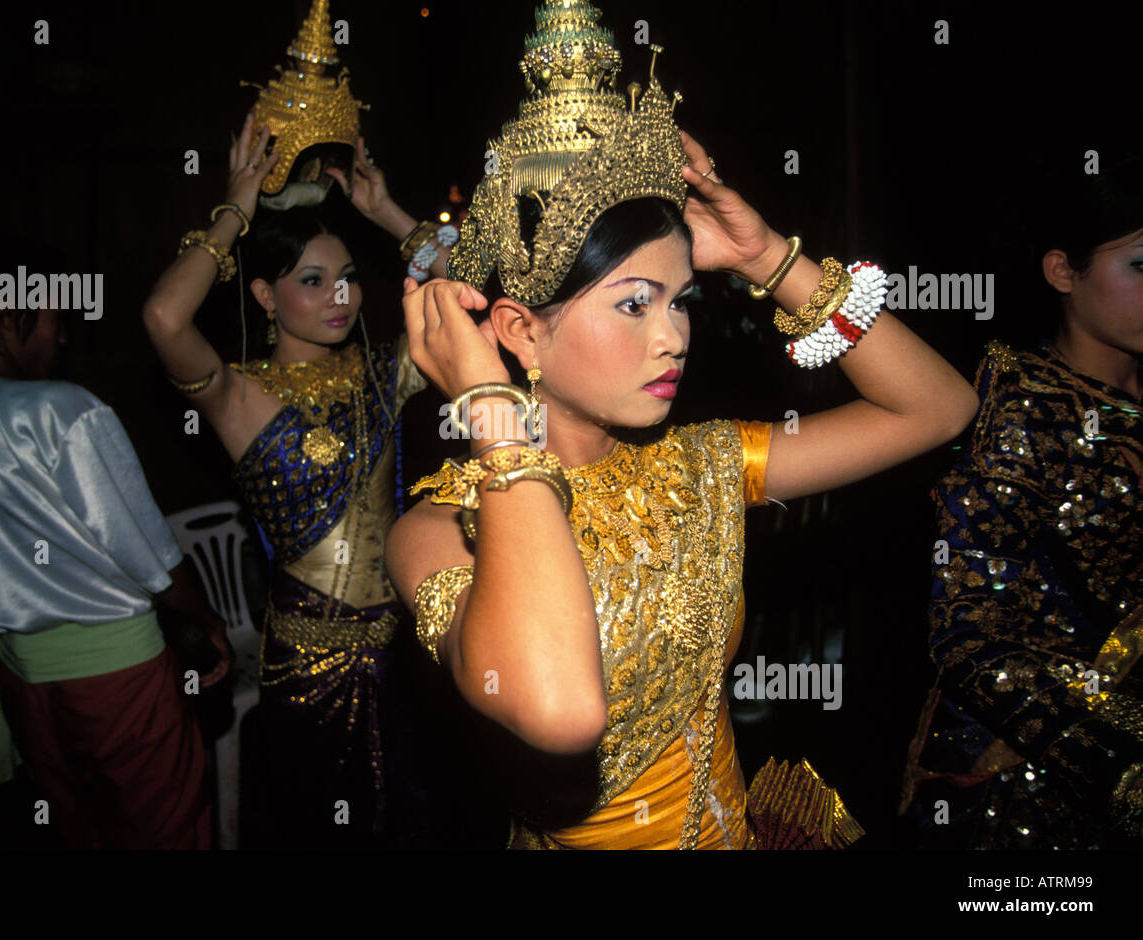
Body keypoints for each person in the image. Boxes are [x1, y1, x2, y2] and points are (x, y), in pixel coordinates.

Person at [386, 0, 979, 849]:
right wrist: (490, 409)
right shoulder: (441, 532)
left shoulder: (703, 464)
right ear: (520, 330)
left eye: (681, 300)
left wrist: (768, 257)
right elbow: (563, 710)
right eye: (635, 303)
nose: (674, 336)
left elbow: (938, 406)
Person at [140, 70, 467, 842]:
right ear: (264, 296)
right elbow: (162, 316)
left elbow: (465, 297)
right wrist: (234, 209)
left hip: (400, 657)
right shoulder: (238, 394)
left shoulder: (385, 369)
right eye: (313, 282)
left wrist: (387, 213)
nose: (341, 297)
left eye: (348, 279)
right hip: (304, 670)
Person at [0, 245, 229, 849]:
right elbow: (149, 554)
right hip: (118, 679)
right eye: (52, 315)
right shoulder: (61, 410)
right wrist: (207, 620)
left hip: (25, 688)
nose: (62, 335)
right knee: (169, 830)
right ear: (5, 314)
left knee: (80, 833)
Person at [900, 155, 1142, 848]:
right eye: (1141, 266)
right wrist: (1117, 766)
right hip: (1033, 793)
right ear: (1063, 271)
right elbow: (967, 635)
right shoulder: (1019, 408)